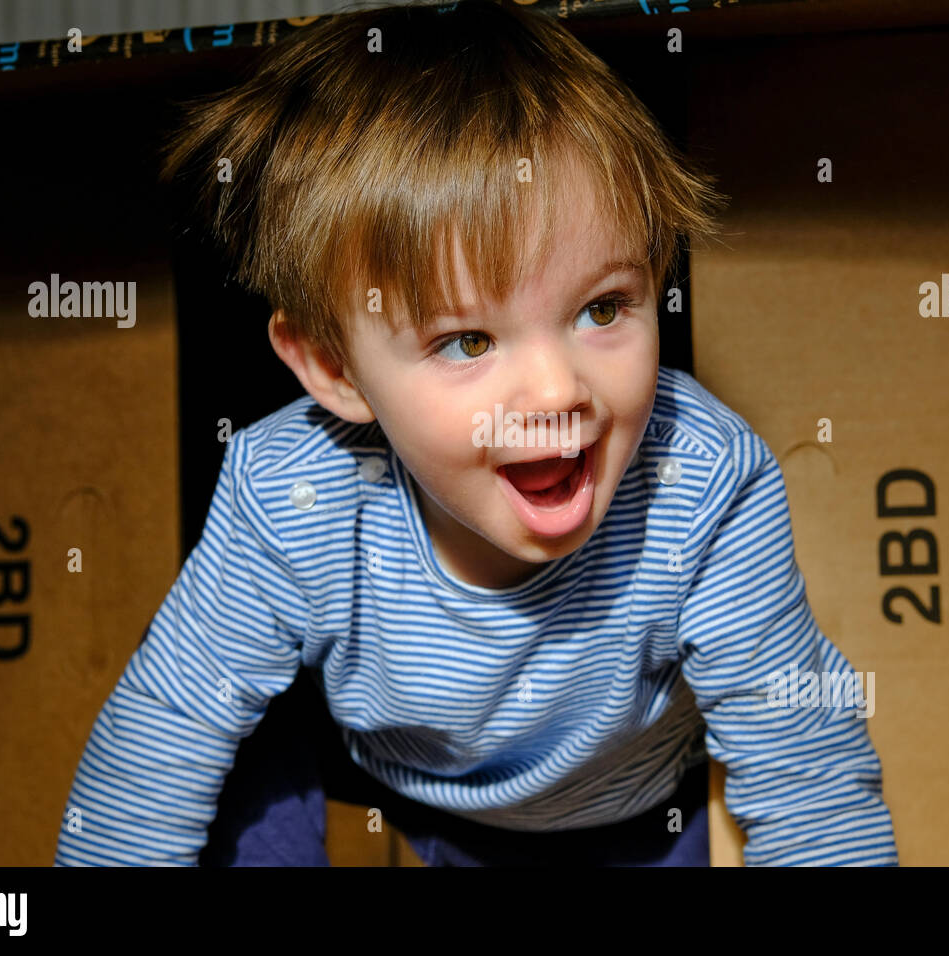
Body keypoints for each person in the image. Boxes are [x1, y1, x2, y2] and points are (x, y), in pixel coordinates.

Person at [54, 0, 898, 866]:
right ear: (335, 370)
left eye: (602, 309)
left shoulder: (704, 478)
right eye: (468, 341)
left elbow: (807, 769)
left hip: (632, 814)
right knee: (241, 777)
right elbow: (163, 730)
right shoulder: (291, 490)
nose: (556, 389)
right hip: (392, 799)